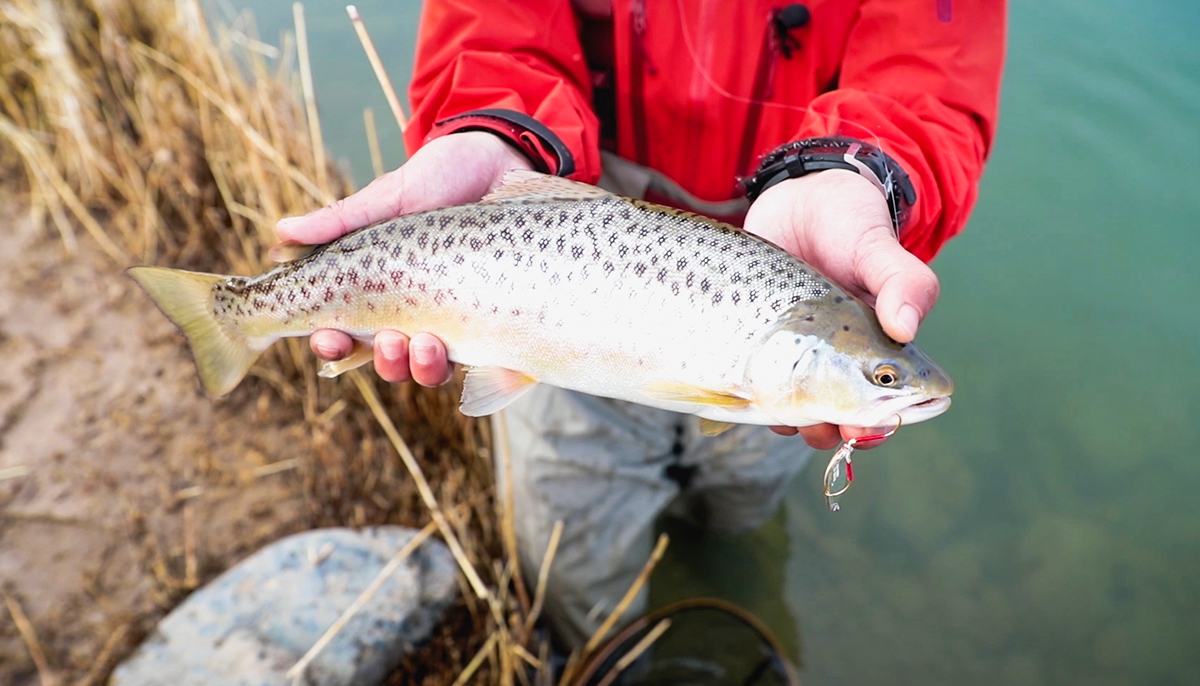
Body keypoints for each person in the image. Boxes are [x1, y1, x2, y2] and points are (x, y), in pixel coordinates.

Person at [275, 0, 1005, 648]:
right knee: (575, 552)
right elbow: (493, 27)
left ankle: (718, 550)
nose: (900, 386)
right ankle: (593, 647)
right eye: (882, 377)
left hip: (813, 246)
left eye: (883, 376)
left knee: (742, 498)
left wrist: (861, 170)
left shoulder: (810, 326)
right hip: (563, 232)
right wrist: (501, 131)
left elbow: (932, 75)